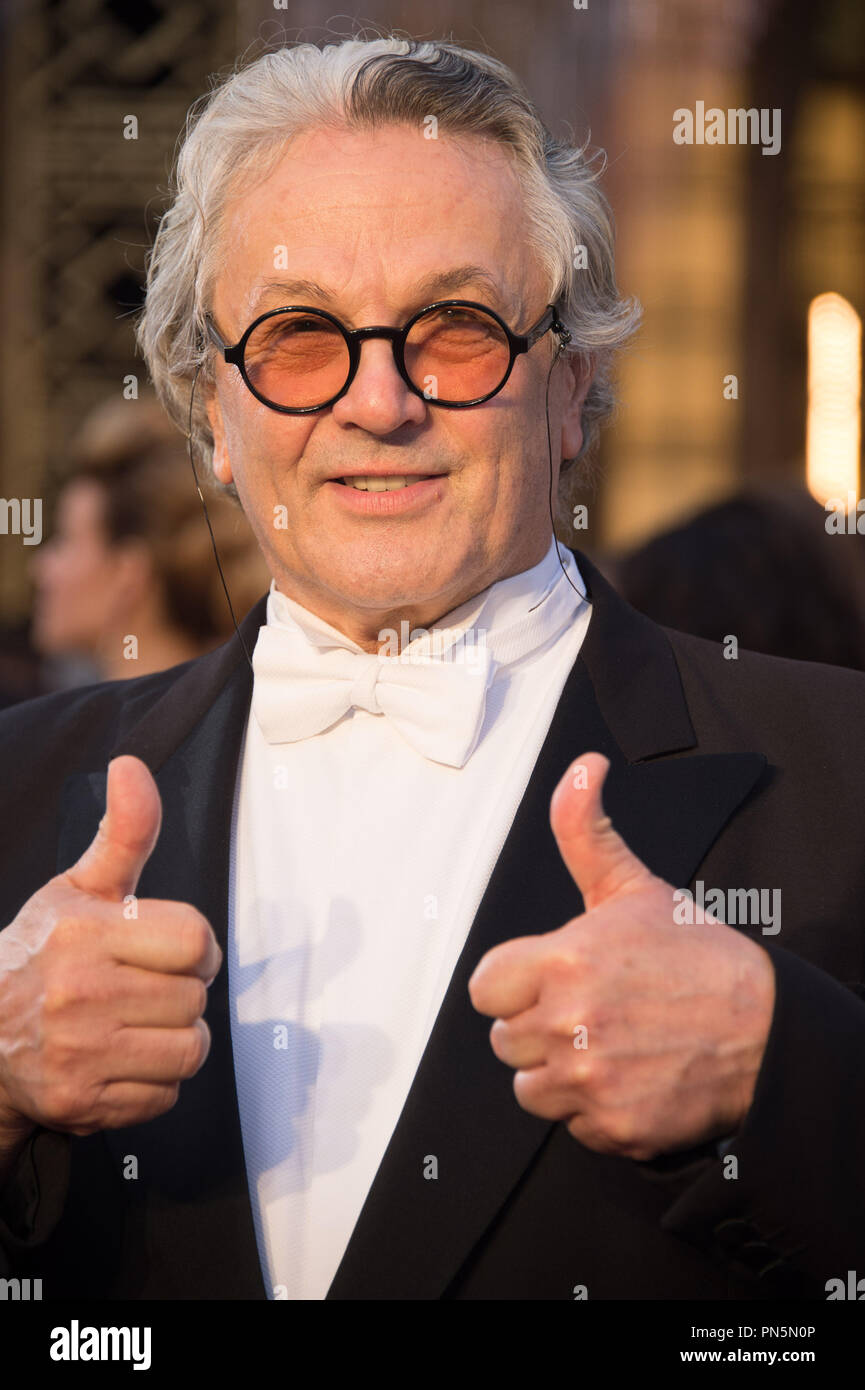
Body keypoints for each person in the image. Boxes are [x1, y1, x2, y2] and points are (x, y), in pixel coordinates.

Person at [0, 34, 863, 1302]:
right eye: (299, 338)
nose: (380, 401)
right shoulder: (21, 791)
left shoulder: (838, 774)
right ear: (212, 412)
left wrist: (787, 1076)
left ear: (570, 385)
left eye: (455, 330)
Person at [29, 395, 270, 685]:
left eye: (65, 542)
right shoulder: (238, 709)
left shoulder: (91, 727)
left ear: (126, 574)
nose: (40, 567)